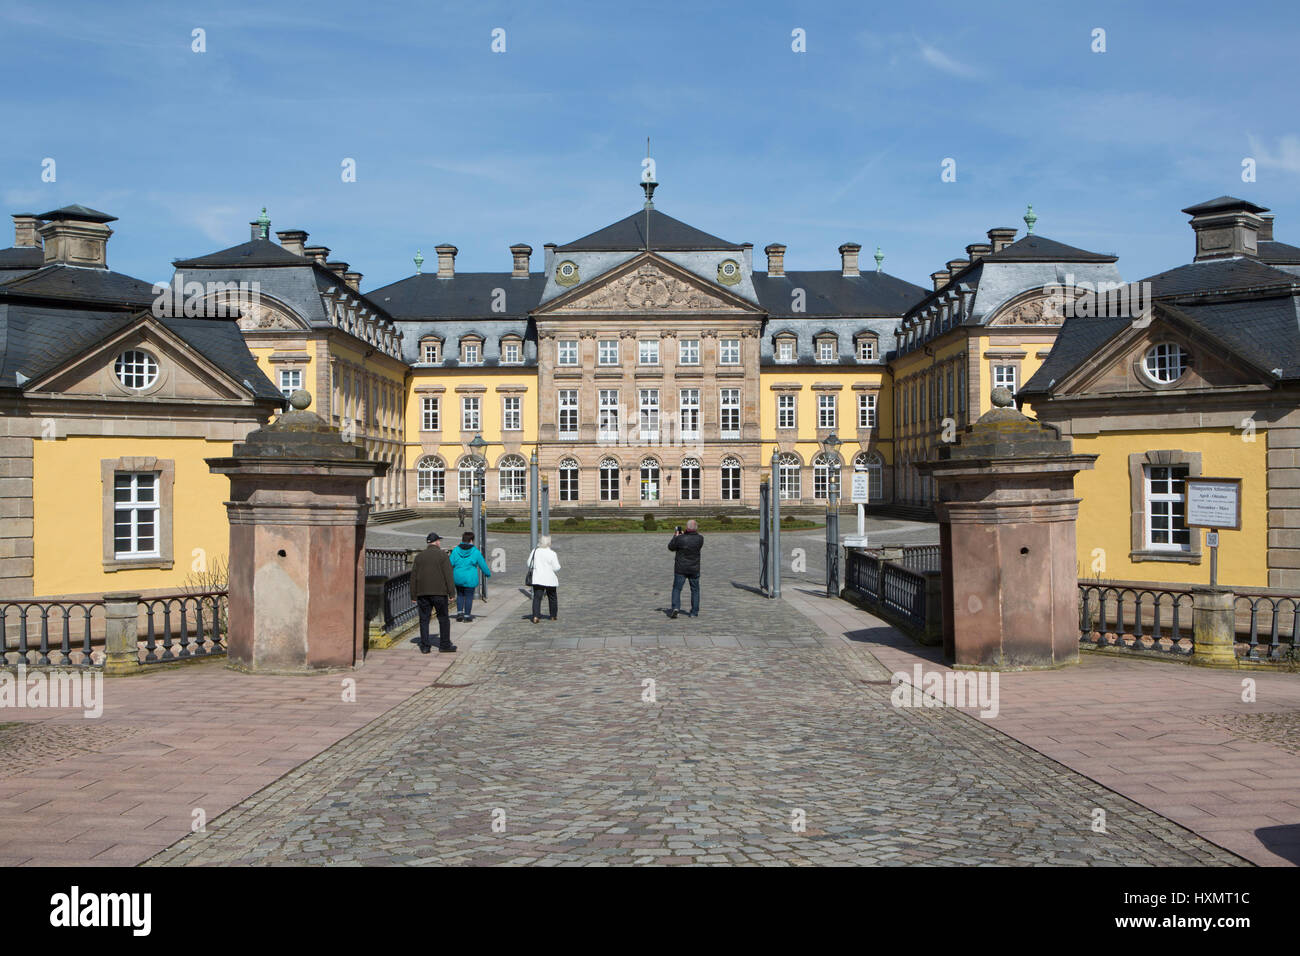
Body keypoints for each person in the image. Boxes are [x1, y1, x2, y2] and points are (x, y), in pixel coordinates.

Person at [410, 532, 457, 653]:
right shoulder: (442, 555)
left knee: (424, 619)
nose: (440, 543)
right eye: (439, 541)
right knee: (443, 618)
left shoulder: (419, 557)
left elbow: (413, 576)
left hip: (422, 593)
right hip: (439, 593)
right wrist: (451, 593)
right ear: (436, 542)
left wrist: (413, 594)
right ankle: (445, 645)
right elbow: (448, 575)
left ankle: (425, 646)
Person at [448, 531, 491, 622]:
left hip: (458, 577)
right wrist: (487, 573)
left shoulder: (456, 550)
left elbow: (450, 563)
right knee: (468, 596)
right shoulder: (475, 551)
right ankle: (467, 616)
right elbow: (482, 564)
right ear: (471, 540)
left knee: (460, 595)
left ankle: (459, 613)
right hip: (470, 578)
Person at [668, 519, 704, 619]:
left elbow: (671, 547)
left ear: (687, 528)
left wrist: (676, 536)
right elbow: (696, 536)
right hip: (694, 568)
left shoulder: (680, 539)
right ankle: (694, 612)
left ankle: (676, 607)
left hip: (681, 568)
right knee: (695, 590)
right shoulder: (700, 538)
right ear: (696, 528)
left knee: (677, 589)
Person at [528, 535, 561, 623]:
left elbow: (529, 564)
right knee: (552, 597)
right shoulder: (552, 553)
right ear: (549, 543)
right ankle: (553, 616)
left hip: (538, 578)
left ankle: (535, 616)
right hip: (550, 578)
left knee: (537, 597)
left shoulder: (535, 551)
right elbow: (556, 567)